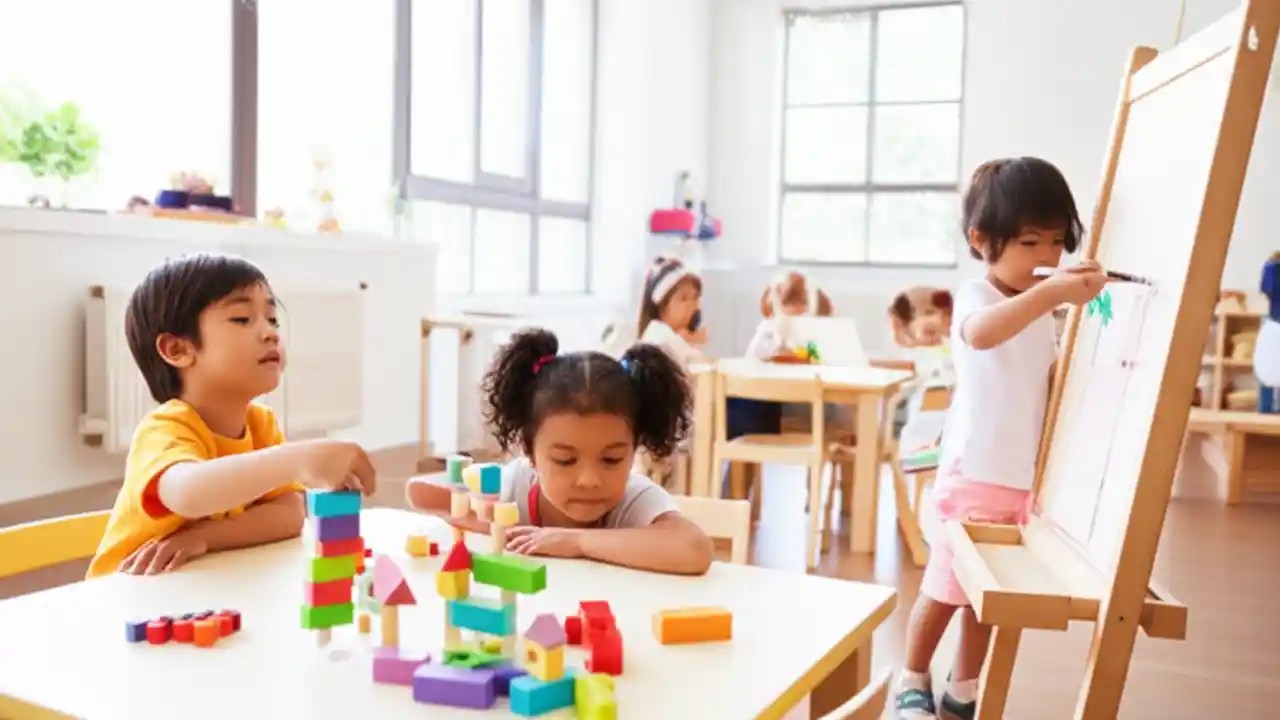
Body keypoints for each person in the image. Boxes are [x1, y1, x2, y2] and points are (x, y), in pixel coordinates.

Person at [895, 158, 1108, 720]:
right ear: (981, 241)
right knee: (944, 587)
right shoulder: (977, 296)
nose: (1046, 259)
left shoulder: (1041, 313)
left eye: (1058, 242)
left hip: (1016, 482)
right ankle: (911, 675)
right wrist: (1052, 296)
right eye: (1030, 241)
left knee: (989, 599)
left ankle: (963, 688)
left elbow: (1046, 383)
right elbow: (983, 336)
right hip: (971, 474)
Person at [86, 254, 376, 578]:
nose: (270, 333)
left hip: (196, 592)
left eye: (272, 319)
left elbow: (288, 514)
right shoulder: (166, 428)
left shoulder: (259, 423)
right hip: (128, 601)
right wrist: (300, 459)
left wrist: (204, 537)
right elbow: (186, 494)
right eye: (241, 318)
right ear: (178, 350)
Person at [407, 328, 713, 576]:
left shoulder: (634, 499)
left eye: (612, 459)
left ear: (634, 449)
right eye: (565, 460)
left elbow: (695, 550)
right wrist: (482, 516)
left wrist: (576, 542)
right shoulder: (515, 485)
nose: (589, 480)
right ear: (528, 450)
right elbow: (418, 493)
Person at [636, 255, 708, 369]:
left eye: (695, 297)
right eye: (683, 298)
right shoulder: (659, 341)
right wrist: (686, 340)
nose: (692, 305)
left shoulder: (675, 340)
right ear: (662, 308)